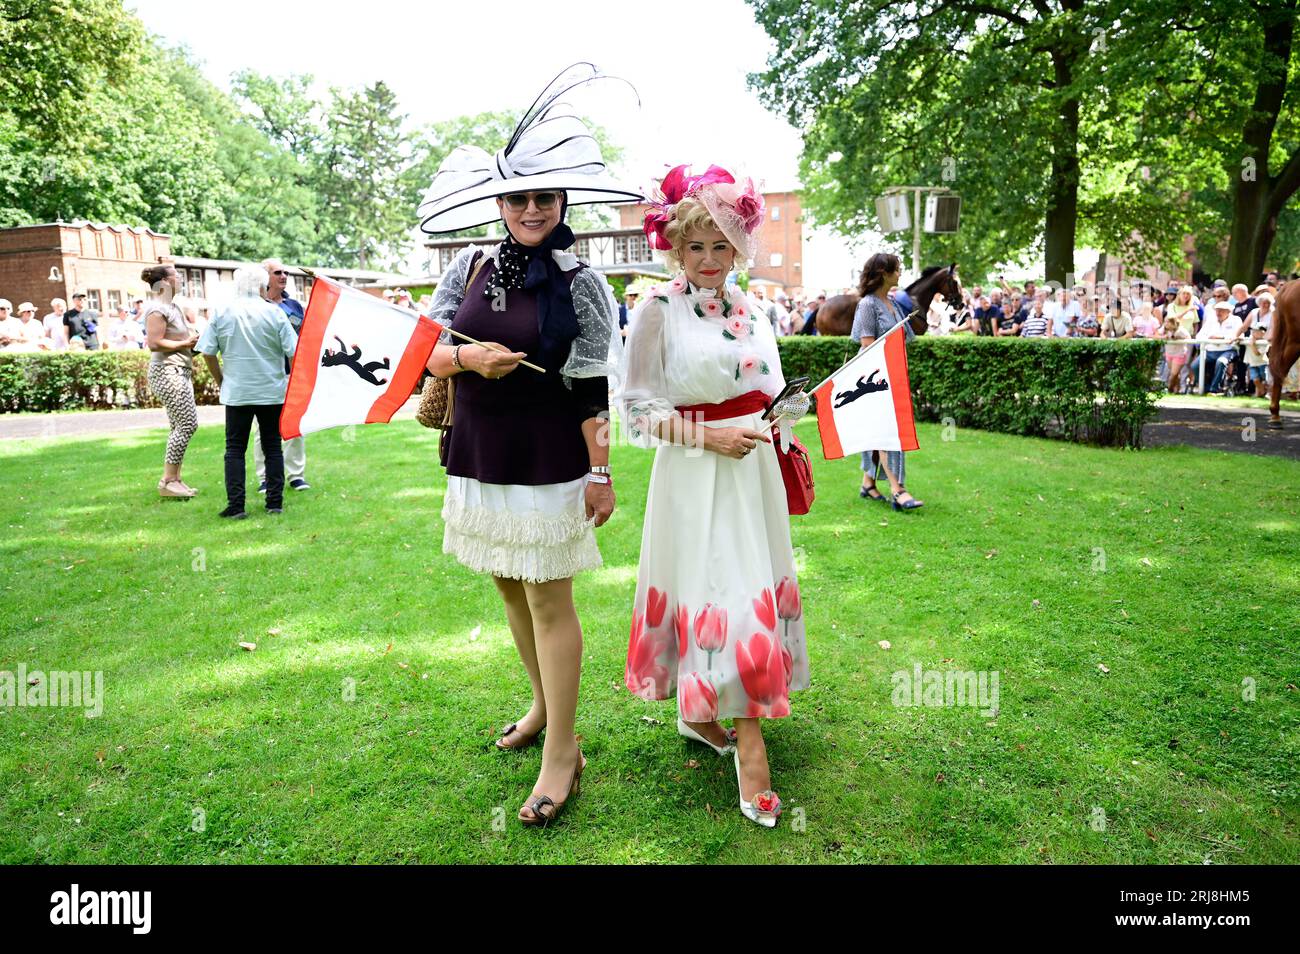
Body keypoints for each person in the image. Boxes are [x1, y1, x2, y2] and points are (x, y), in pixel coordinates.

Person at [416, 64, 637, 828]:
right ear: (499, 202)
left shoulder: (582, 283)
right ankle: (544, 708)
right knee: (508, 585)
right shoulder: (468, 266)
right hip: (479, 452)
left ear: (562, 202)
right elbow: (429, 354)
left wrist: (602, 473)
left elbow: (591, 390)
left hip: (549, 462)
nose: (532, 208)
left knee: (548, 598)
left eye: (545, 196)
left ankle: (561, 755)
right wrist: (468, 359)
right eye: (518, 196)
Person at [622, 162, 809, 828]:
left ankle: (701, 717)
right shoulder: (656, 311)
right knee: (717, 595)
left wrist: (792, 412)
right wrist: (712, 436)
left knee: (742, 586)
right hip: (696, 476)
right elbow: (638, 411)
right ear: (673, 247)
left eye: (719, 245)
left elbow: (767, 391)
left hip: (752, 475)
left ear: (738, 248)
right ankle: (749, 747)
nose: (707, 258)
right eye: (694, 246)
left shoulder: (754, 309)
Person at [196, 265, 298, 519]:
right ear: (263, 285)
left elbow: (208, 352)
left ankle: (236, 505)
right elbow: (294, 352)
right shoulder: (274, 313)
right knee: (273, 446)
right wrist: (294, 382)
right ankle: (275, 502)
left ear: (237, 285)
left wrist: (221, 379)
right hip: (272, 389)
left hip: (238, 390)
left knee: (234, 449)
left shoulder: (223, 312)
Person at [853, 252, 923, 511]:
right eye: (897, 269)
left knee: (877, 432)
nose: (900, 273)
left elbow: (904, 339)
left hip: (894, 375)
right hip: (874, 379)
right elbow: (867, 343)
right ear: (883, 272)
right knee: (887, 433)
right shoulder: (867, 304)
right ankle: (898, 489)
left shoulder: (893, 302)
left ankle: (868, 483)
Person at [142, 263, 201, 498]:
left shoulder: (173, 306)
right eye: (177, 275)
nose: (181, 278)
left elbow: (181, 341)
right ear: (165, 282)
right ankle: (168, 480)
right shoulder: (157, 309)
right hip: (167, 372)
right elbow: (154, 343)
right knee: (187, 424)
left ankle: (175, 479)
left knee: (179, 425)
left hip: (179, 370)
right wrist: (184, 344)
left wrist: (193, 344)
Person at [253, 259, 310, 494]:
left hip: (293, 375)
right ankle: (265, 477)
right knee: (263, 429)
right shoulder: (255, 306)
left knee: (295, 425)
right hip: (265, 375)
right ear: (265, 277)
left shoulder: (293, 306)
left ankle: (296, 475)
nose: (284, 276)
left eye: (286, 272)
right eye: (278, 272)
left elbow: (306, 337)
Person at [1159, 315, 1191, 393]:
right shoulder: (1164, 329)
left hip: (1179, 354)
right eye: (1165, 321)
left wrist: (1179, 338)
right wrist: (1164, 337)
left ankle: (1169, 388)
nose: (1165, 323)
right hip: (1169, 353)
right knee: (1175, 374)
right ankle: (1177, 389)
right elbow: (1155, 335)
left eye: (1167, 322)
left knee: (1173, 374)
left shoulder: (1181, 330)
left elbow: (1189, 338)